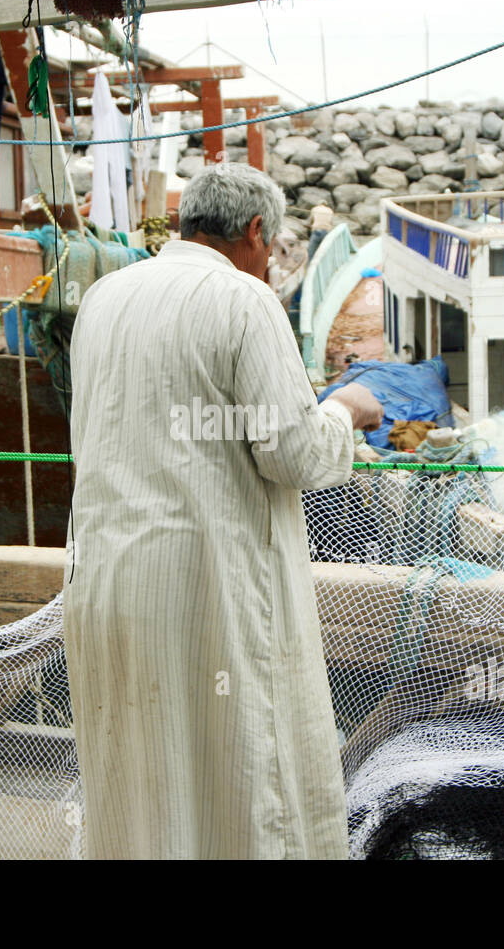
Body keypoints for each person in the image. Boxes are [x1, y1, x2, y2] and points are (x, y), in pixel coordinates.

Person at [64, 162, 383, 859]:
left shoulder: (104, 298)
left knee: (141, 785)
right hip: (202, 594)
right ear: (256, 232)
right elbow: (291, 452)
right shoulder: (242, 299)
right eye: (270, 252)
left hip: (104, 584)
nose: (269, 266)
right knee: (237, 785)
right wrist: (345, 411)